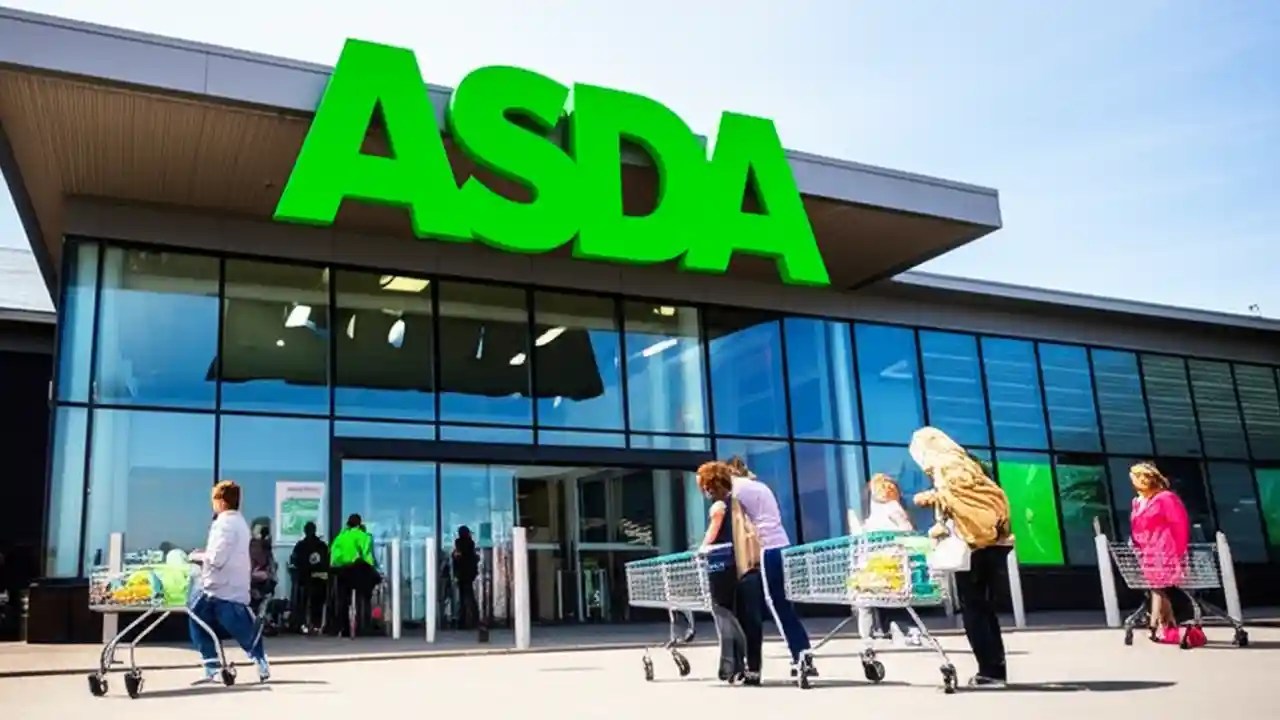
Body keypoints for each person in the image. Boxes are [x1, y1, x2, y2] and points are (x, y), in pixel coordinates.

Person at [909, 427, 1012, 688]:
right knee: (983, 608)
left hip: (977, 542)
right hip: (995, 539)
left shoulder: (947, 464)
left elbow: (960, 495)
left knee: (974, 608)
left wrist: (930, 496)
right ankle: (994, 669)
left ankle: (990, 672)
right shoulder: (968, 461)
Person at [724, 455, 814, 678]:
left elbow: (737, 523)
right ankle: (802, 652)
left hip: (768, 548)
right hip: (782, 544)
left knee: (775, 604)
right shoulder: (759, 486)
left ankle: (799, 656)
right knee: (783, 606)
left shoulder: (737, 489)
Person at [188, 480, 270, 683]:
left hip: (218, 586)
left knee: (196, 618)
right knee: (242, 627)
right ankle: (260, 661)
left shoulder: (223, 523)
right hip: (235, 585)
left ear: (221, 501)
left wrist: (197, 556)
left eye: (214, 500)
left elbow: (216, 558)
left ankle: (212, 666)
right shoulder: (240, 522)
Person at [698, 461, 763, 684]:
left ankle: (730, 666)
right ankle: (752, 668)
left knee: (723, 613)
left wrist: (700, 550)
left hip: (723, 567)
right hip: (748, 564)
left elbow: (712, 536)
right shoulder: (742, 502)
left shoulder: (719, 507)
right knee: (750, 618)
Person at [1128, 462, 1192, 644]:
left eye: (1135, 478)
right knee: (1157, 587)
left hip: (1165, 550)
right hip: (1147, 552)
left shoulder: (1166, 498)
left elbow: (1179, 525)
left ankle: (1154, 625)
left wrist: (1178, 552)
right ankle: (1167, 627)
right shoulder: (1137, 502)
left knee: (1158, 587)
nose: (1133, 483)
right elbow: (1136, 526)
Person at [858, 473, 920, 647]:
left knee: (884, 599)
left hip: (888, 561)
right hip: (881, 562)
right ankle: (884, 631)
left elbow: (906, 529)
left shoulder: (891, 507)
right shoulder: (881, 509)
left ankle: (905, 631)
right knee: (879, 599)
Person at [330, 514, 379, 637]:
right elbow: (367, 557)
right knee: (365, 594)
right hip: (359, 571)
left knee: (343, 600)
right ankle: (364, 624)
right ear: (359, 524)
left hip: (342, 571)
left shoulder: (340, 538)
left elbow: (333, 558)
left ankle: (344, 628)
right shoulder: (364, 536)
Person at [288, 521, 329, 634]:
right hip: (320, 580)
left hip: (305, 580)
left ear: (305, 531)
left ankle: (302, 624)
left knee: (302, 602)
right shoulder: (322, 546)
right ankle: (316, 625)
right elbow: (327, 562)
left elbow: (294, 561)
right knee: (318, 602)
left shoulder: (300, 546)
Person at [452, 526, 480, 630]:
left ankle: (463, 621)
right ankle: (473, 619)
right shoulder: (470, 544)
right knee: (470, 598)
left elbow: (458, 558)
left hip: (462, 575)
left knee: (464, 598)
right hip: (469, 575)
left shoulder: (460, 544)